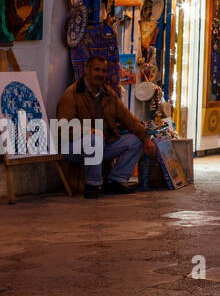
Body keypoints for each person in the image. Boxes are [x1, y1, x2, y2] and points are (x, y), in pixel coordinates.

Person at [55, 56, 157, 198]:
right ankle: (93, 185)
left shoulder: (109, 94)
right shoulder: (72, 94)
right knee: (94, 139)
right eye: (96, 70)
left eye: (103, 71)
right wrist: (87, 132)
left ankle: (115, 180)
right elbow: (62, 129)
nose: (100, 74)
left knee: (136, 140)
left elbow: (129, 119)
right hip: (74, 148)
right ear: (87, 70)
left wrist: (146, 138)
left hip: (103, 144)